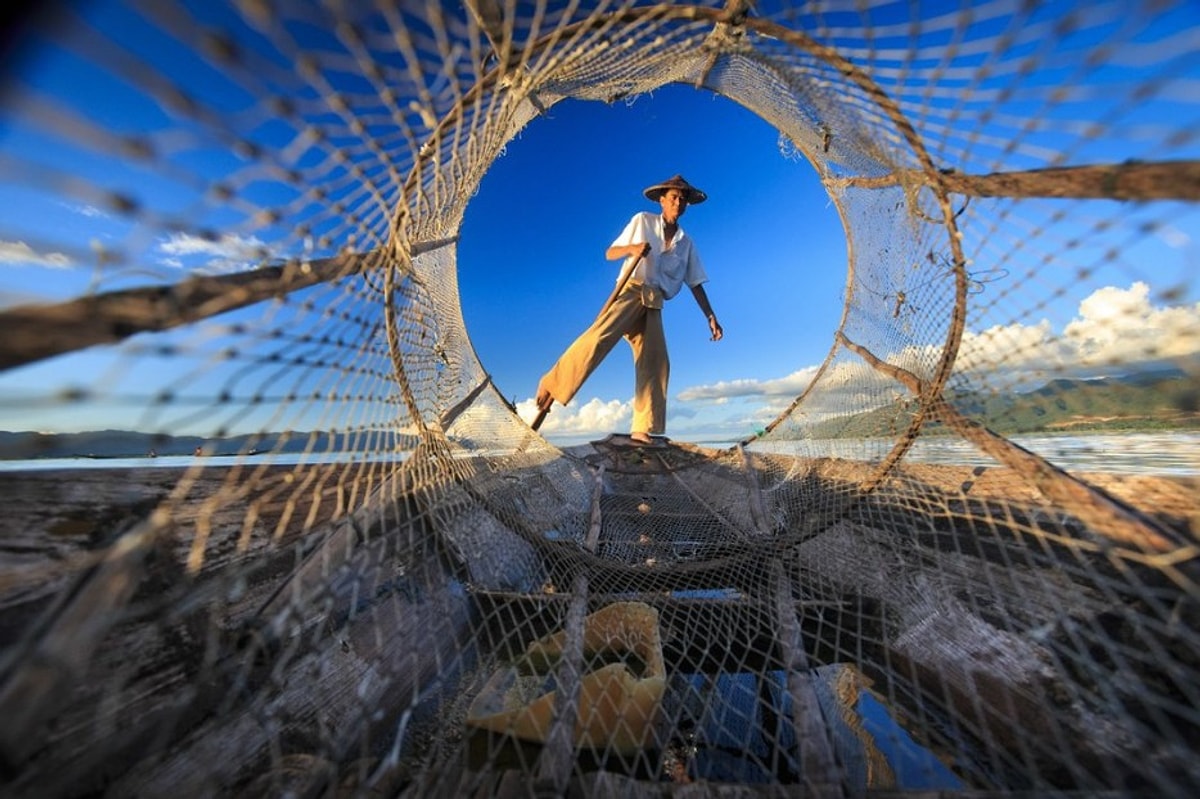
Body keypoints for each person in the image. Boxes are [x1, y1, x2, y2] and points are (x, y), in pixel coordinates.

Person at [534, 174, 723, 445]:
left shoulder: (686, 243)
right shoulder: (643, 221)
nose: (678, 202)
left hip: (654, 301)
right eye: (673, 197)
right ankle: (552, 381)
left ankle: (642, 428)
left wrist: (710, 316)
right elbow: (610, 253)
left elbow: (695, 282)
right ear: (662, 200)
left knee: (656, 361)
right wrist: (633, 248)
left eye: (683, 199)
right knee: (599, 339)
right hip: (631, 290)